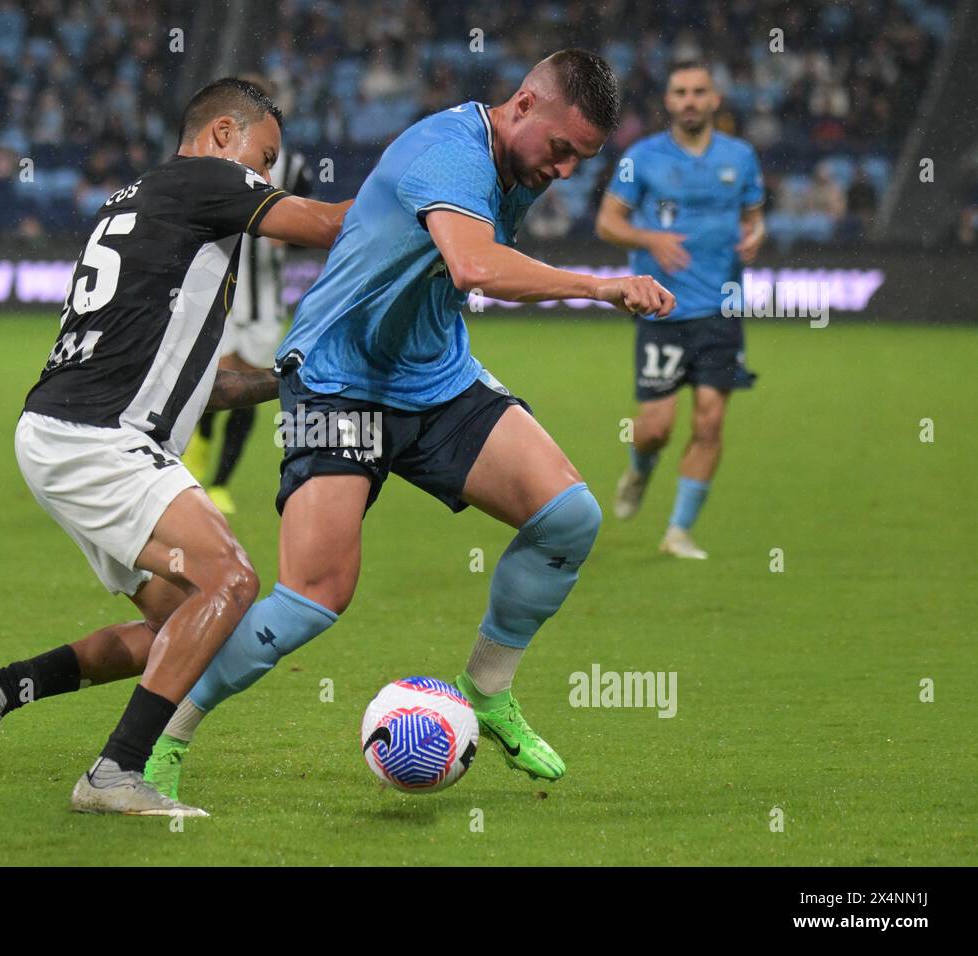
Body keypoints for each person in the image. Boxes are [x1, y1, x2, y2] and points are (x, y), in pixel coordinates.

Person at [142, 50, 675, 801]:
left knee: (568, 520)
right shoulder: (449, 153)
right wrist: (601, 285)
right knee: (311, 599)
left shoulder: (514, 164)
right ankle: (163, 740)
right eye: (560, 150)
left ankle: (487, 689)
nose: (562, 171)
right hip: (336, 382)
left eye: (579, 161)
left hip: (433, 377)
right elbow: (476, 269)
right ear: (523, 105)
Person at [0, 78, 352, 817]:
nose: (267, 176)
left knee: (181, 626)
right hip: (101, 436)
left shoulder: (147, 202)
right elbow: (329, 224)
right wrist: (430, 193)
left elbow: (197, 385)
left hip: (70, 431)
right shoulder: (207, 180)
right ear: (223, 134)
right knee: (230, 581)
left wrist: (284, 381)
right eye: (265, 157)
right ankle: (113, 772)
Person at [597, 60, 765, 559]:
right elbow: (607, 223)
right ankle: (638, 471)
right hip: (663, 309)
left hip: (721, 308)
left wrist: (757, 236)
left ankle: (677, 532)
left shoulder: (742, 156)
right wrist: (650, 238)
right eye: (680, 92)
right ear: (668, 102)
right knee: (656, 427)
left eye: (699, 91)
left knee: (710, 423)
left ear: (715, 100)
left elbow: (755, 219)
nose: (689, 99)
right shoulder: (641, 157)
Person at [183, 75, 316, 515]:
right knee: (210, 376)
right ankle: (198, 442)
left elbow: (309, 225)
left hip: (264, 299)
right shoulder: (217, 162)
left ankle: (220, 482)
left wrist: (288, 240)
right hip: (222, 292)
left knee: (249, 383)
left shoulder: (293, 166)